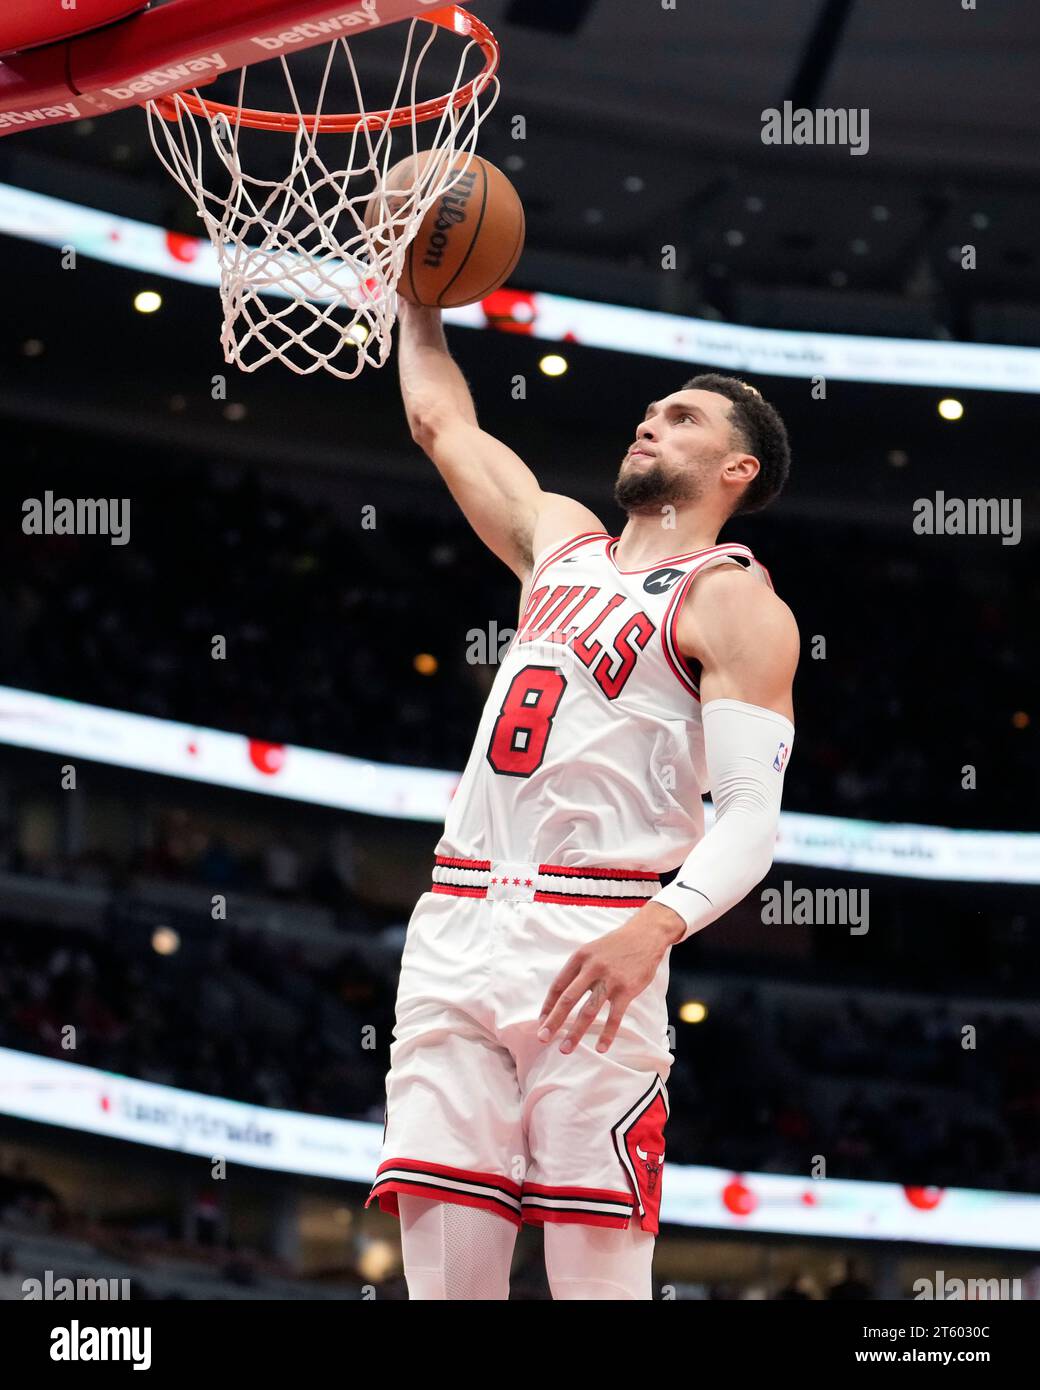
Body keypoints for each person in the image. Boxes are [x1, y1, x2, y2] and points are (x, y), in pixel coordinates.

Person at [367, 301, 800, 1300]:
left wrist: (654, 928)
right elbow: (441, 422)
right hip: (457, 920)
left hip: (597, 930)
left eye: (684, 418)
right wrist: (417, 303)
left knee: (594, 1281)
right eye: (650, 412)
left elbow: (750, 817)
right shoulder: (558, 542)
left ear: (737, 470)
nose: (650, 422)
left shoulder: (732, 598)